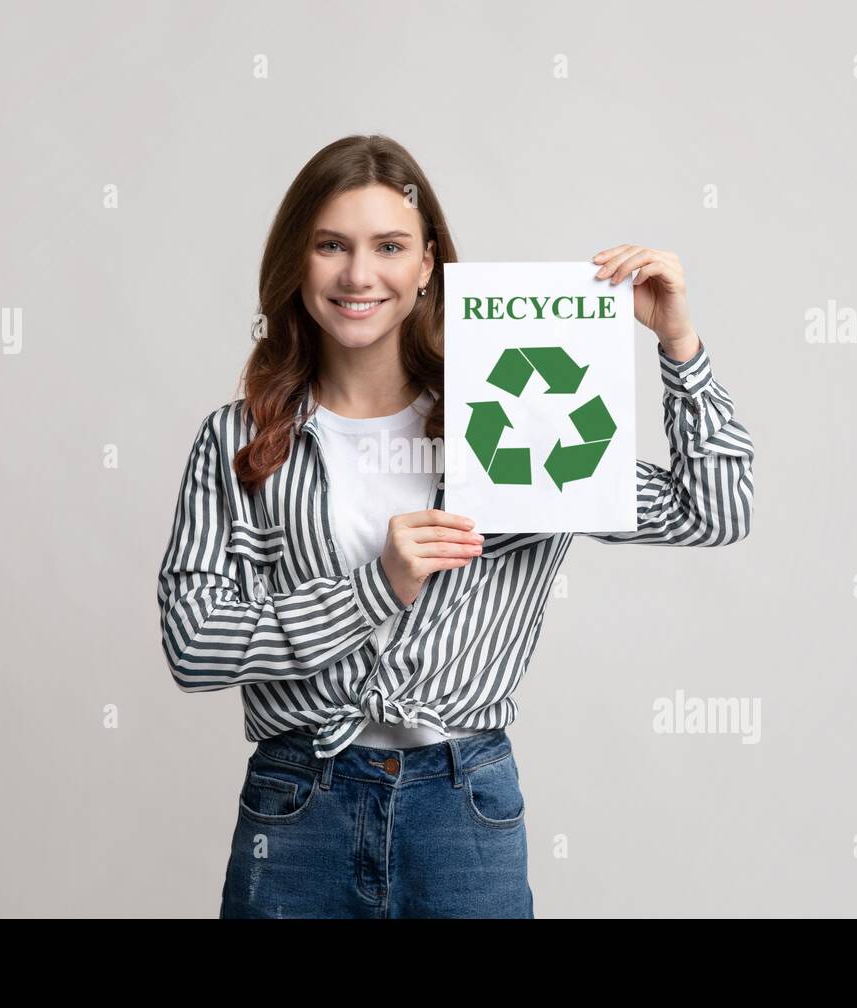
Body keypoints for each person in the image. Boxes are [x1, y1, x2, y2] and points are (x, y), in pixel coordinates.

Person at [156, 134, 754, 919]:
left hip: (463, 808)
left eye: (389, 246)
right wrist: (375, 588)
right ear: (296, 261)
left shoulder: (514, 423)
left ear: (428, 262)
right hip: (297, 806)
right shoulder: (242, 439)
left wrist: (679, 345)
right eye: (331, 245)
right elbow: (193, 647)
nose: (358, 274)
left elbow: (713, 511)